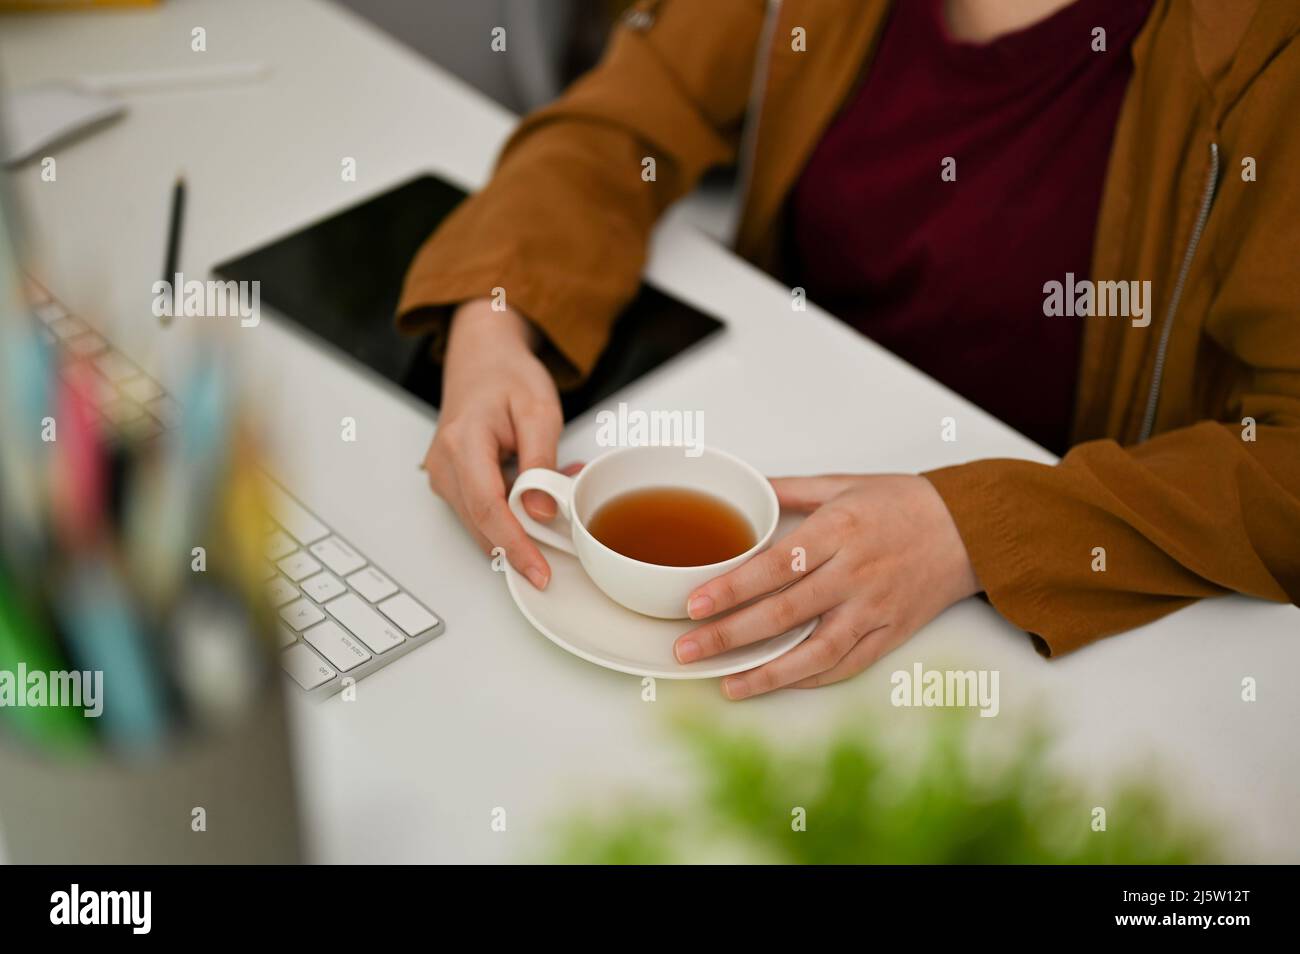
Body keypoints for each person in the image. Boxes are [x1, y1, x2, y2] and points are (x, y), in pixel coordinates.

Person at [396, 0, 1300, 699]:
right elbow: (622, 123)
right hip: (773, 497)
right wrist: (491, 317)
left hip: (1040, 636)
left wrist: (975, 530)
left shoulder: (1264, 45)